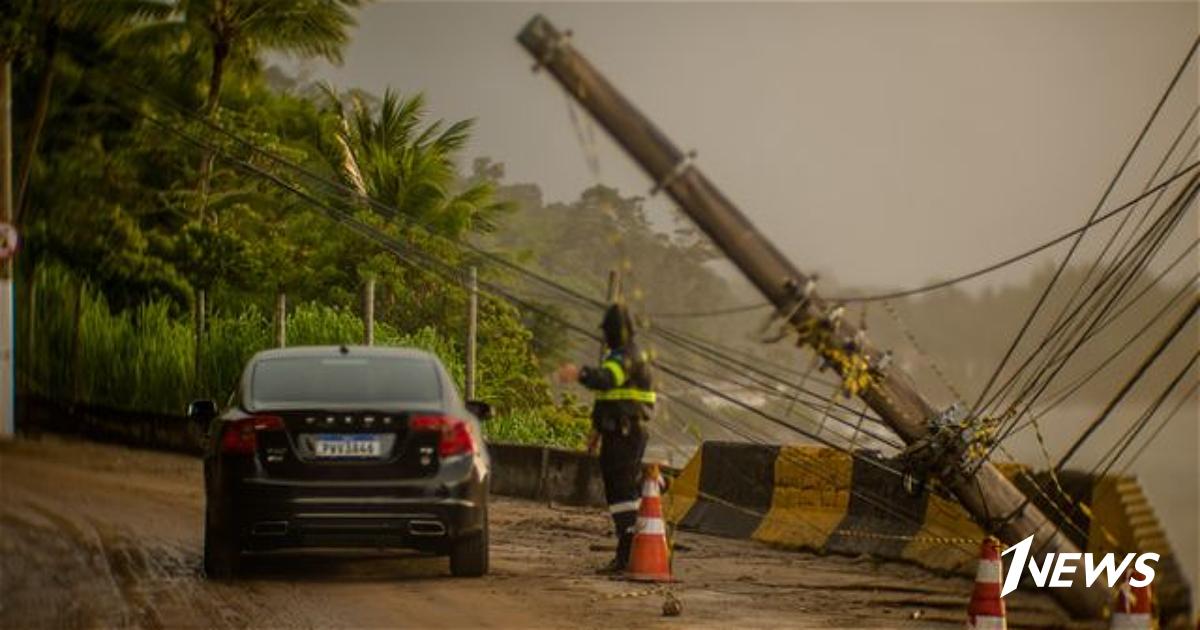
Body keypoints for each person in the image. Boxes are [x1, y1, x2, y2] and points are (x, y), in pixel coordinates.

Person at [557, 303, 656, 574]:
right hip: (618, 431)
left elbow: (607, 381)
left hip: (625, 433)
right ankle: (632, 547)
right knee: (621, 491)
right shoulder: (623, 355)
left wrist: (580, 373)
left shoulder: (625, 358)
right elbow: (608, 400)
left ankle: (628, 553)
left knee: (622, 493)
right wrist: (596, 430)